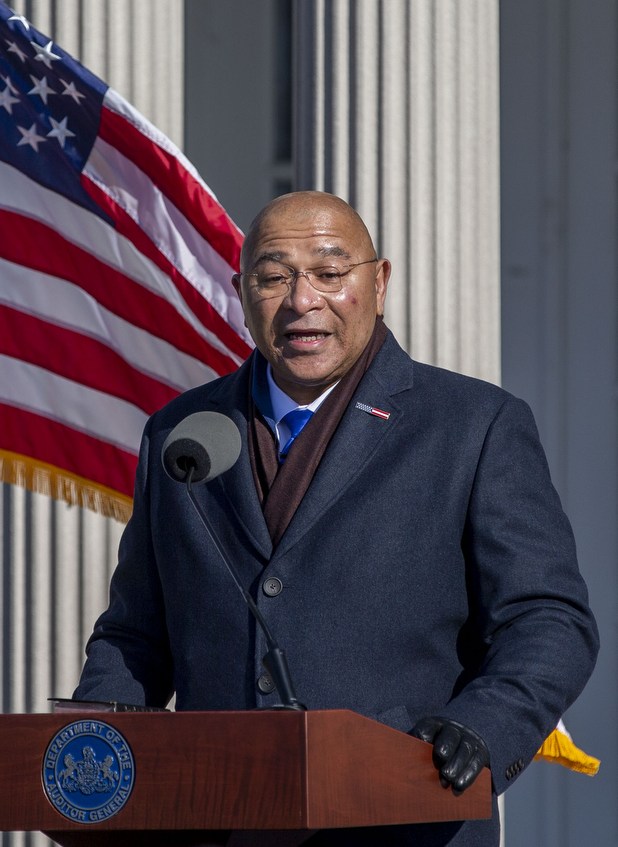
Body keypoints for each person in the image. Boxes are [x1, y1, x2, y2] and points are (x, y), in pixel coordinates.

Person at [74, 191, 598, 846]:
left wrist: (483, 726)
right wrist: (88, 737)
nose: (301, 301)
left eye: (329, 272)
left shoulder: (472, 425)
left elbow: (549, 622)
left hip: (405, 817)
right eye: (273, 276)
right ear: (242, 292)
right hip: (216, 820)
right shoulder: (185, 432)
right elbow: (136, 634)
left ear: (378, 283)